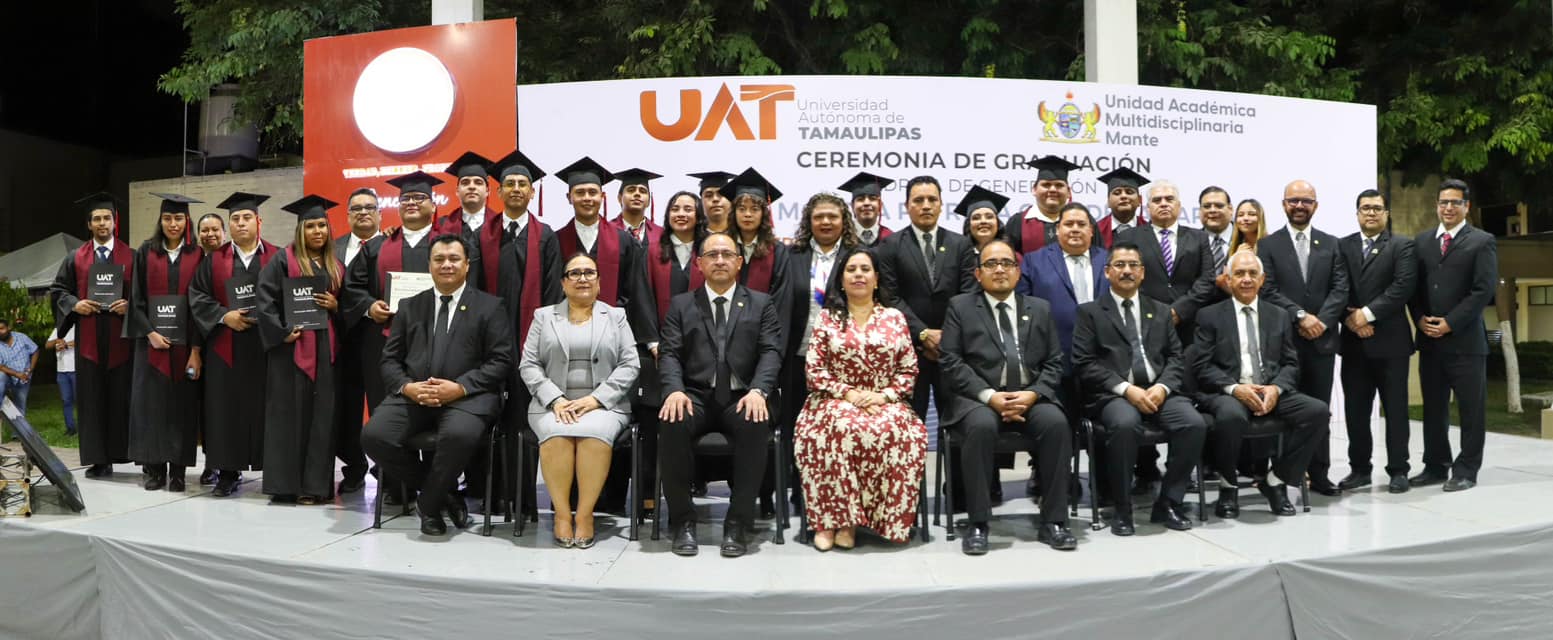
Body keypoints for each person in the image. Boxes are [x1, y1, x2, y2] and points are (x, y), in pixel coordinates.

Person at [361, 234, 515, 536]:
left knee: (458, 435)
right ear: (429, 265)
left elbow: (501, 361)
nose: (447, 265)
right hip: (415, 395)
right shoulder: (409, 306)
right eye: (439, 259)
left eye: (454, 259)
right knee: (374, 436)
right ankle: (445, 493)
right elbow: (389, 360)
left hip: (468, 397)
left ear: (467, 265)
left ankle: (429, 505)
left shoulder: (490, 306)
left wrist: (459, 387)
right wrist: (407, 387)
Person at [939, 239, 1075, 554]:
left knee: (1056, 424)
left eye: (1007, 263)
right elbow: (951, 361)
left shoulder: (1039, 308)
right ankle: (978, 522)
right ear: (978, 273)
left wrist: (1033, 394)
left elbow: (1055, 362)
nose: (999, 269)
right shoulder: (960, 307)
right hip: (979, 399)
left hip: (1030, 396)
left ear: (1017, 272)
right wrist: (990, 397)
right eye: (991, 264)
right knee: (981, 427)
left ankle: (1054, 520)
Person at [657, 232, 783, 558]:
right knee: (672, 421)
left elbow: (771, 352)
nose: (720, 260)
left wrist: (759, 390)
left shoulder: (761, 303)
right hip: (695, 396)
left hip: (742, 396)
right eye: (712, 255)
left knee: (756, 421)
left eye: (727, 254)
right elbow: (669, 353)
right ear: (699, 263)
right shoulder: (682, 304)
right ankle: (682, 521)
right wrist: (674, 390)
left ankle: (737, 523)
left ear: (739, 262)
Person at [794, 248, 926, 550]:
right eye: (851, 269)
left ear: (876, 279)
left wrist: (882, 396)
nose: (858, 275)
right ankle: (833, 522)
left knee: (899, 431)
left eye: (865, 269)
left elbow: (908, 369)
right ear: (841, 280)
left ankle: (874, 521)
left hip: (885, 401)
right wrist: (849, 394)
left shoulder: (894, 318)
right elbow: (815, 369)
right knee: (840, 427)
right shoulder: (827, 318)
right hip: (833, 399)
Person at [1071, 242, 1205, 535]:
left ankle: (1169, 502)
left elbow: (1176, 357)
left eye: (1133, 265)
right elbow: (1084, 363)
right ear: (1107, 272)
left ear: (1143, 272)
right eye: (1119, 265)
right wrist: (1126, 389)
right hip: (1114, 395)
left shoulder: (1161, 310)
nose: (1127, 271)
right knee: (1124, 425)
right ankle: (1122, 507)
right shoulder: (1090, 313)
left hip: (1159, 391)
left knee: (1193, 423)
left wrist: (1163, 387)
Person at [553, 157, 660, 514]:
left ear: (602, 197)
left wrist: (648, 339)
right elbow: (549, 294)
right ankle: (570, 499)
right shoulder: (556, 240)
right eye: (580, 192)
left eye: (592, 192)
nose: (587, 198)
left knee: (610, 415)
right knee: (571, 416)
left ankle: (611, 499)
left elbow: (637, 291)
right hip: (568, 345)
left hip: (612, 343)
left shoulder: (623, 240)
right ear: (569, 197)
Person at [1192, 251, 1330, 518]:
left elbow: (1291, 364)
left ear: (1262, 279)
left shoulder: (1279, 315)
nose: (1246, 279)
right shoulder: (1209, 316)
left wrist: (1275, 389)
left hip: (1269, 389)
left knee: (1317, 411)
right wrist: (1235, 389)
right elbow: (1202, 367)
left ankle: (1276, 480)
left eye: (1252, 274)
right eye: (1239, 274)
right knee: (1231, 416)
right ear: (1228, 280)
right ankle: (1228, 485)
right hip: (1228, 391)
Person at [519, 253, 641, 548]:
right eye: (574, 273)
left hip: (605, 404)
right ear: (563, 283)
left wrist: (596, 399)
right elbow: (529, 364)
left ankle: (585, 514)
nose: (582, 278)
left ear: (599, 282)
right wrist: (555, 399)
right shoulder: (543, 316)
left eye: (589, 273)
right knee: (557, 434)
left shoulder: (616, 316)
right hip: (551, 404)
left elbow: (630, 364)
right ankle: (562, 514)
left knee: (593, 434)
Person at [337, 174, 444, 495]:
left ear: (433, 205)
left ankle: (440, 484)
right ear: (397, 207)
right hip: (385, 344)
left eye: (419, 198)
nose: (411, 203)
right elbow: (352, 287)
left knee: (435, 411)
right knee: (386, 411)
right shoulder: (378, 246)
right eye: (405, 199)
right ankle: (395, 485)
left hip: (438, 342)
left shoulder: (447, 245)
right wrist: (370, 306)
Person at [479, 149, 565, 514]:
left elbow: (553, 294)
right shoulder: (482, 236)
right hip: (491, 344)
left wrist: (543, 343)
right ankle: (492, 494)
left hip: (532, 345)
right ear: (499, 192)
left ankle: (524, 499)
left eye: (522, 184)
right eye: (509, 183)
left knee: (525, 418)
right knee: (492, 417)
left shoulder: (545, 236)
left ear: (532, 192)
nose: (516, 188)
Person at [1256, 180, 1349, 497]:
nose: (1299, 206)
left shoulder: (1332, 244)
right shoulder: (1268, 245)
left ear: (1315, 206)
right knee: (1283, 411)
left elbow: (1340, 289)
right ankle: (1280, 477)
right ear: (1283, 204)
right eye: (1293, 200)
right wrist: (1300, 316)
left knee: (1320, 410)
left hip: (1321, 341)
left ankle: (1319, 474)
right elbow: (1268, 290)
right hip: (1284, 343)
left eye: (1306, 201)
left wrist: (1321, 321)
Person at [255, 195, 346, 505]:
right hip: (290, 350)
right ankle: (285, 486)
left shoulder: (336, 265)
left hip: (326, 350)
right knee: (288, 417)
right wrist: (282, 331)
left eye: (322, 225)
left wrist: (336, 306)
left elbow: (347, 305)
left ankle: (315, 487)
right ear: (300, 230)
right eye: (310, 226)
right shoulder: (283, 260)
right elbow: (264, 300)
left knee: (321, 419)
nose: (317, 231)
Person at [1410, 178, 1497, 492]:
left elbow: (1483, 290)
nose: (1448, 208)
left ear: (1466, 206)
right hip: (1430, 342)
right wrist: (1419, 318)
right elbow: (1413, 288)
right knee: (1433, 409)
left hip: (1466, 344)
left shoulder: (1482, 241)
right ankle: (1435, 466)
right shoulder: (1421, 242)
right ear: (1437, 205)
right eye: (1443, 202)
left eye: (1455, 202)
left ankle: (1466, 470)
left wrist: (1450, 322)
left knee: (1471, 411)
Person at [188, 192, 278, 496]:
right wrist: (224, 316)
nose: (241, 223)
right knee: (225, 411)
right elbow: (197, 296)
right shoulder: (214, 261)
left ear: (258, 221)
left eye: (246, 218)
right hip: (226, 347)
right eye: (235, 219)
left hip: (266, 348)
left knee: (268, 409)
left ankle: (274, 473)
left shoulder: (278, 257)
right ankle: (227, 473)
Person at [774, 193, 858, 517]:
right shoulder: (791, 255)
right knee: (798, 427)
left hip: (842, 362)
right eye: (819, 216)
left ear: (843, 221)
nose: (825, 222)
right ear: (809, 221)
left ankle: (838, 493)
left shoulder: (856, 256)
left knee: (836, 428)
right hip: (798, 356)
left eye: (832, 216)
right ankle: (800, 491)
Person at [877, 176, 979, 423]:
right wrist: (923, 333)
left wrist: (947, 337)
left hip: (953, 351)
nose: (926, 206)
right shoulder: (890, 245)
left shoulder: (961, 244)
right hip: (909, 351)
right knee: (910, 424)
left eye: (932, 199)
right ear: (907, 206)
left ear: (941, 205)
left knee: (958, 423)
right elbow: (891, 297)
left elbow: (968, 294)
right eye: (918, 200)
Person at [50, 192, 134, 478]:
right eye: (96, 219)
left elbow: (145, 294)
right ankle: (99, 460)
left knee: (122, 398)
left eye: (107, 218)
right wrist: (76, 304)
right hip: (88, 341)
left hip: (122, 340)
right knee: (92, 400)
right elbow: (58, 290)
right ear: (89, 224)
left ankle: (126, 453)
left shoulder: (132, 256)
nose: (102, 223)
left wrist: (130, 305)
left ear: (115, 221)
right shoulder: (75, 258)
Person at [1337, 190, 1417, 493]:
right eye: (1365, 208)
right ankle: (1359, 469)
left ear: (1386, 213)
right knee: (1356, 412)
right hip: (1354, 343)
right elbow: (1335, 287)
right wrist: (1350, 319)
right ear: (1357, 213)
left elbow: (1402, 287)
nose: (1371, 213)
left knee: (1395, 411)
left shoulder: (1402, 246)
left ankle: (1399, 470)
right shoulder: (1342, 246)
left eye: (1377, 208)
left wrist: (1366, 315)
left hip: (1391, 344)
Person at [126, 193, 206, 492]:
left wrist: (196, 350)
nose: (173, 224)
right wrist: (150, 333)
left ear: (187, 221)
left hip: (185, 347)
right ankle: (155, 469)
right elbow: (136, 299)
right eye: (168, 218)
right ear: (160, 221)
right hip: (151, 346)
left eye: (179, 218)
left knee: (182, 407)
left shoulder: (198, 255)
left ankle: (179, 472)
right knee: (151, 406)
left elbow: (200, 306)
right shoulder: (146, 252)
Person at [632, 191, 705, 517]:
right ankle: (648, 496)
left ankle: (689, 490)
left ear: (698, 215)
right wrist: (653, 342)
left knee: (689, 422)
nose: (682, 213)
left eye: (689, 208)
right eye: (676, 208)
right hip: (657, 355)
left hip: (702, 355)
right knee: (652, 426)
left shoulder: (709, 252)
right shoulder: (651, 251)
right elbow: (641, 297)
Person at [1114, 180, 1219, 343]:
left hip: (1190, 326)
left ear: (1179, 206)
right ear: (1147, 207)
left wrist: (1179, 311)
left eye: (1169, 199)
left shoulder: (1199, 238)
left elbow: (1207, 280)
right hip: (1144, 324)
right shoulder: (1129, 237)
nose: (1163, 204)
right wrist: (1156, 313)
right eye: (1157, 200)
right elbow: (1123, 278)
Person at [331, 186, 384, 494]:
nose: (363, 212)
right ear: (348, 215)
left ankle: (385, 467)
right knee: (346, 409)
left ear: (380, 213)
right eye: (356, 208)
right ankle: (354, 467)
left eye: (369, 207)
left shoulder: (392, 245)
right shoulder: (332, 248)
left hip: (380, 340)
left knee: (381, 408)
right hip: (342, 341)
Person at [1017, 202, 1109, 365]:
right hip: (1054, 357)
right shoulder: (1034, 261)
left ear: (1091, 230)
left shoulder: (1110, 260)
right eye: (1069, 224)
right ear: (1058, 229)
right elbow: (1023, 308)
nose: (1075, 229)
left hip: (1104, 356)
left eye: (1081, 224)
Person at [722, 168, 792, 309]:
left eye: (754, 209)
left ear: (763, 214)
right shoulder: (722, 246)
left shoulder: (777, 250)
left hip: (765, 320)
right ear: (734, 212)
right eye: (742, 209)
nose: (747, 214)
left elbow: (781, 297)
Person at [1005, 156, 1079, 255]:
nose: (1052, 189)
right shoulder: (1017, 222)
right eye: (1046, 185)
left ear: (1069, 192)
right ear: (1034, 190)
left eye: (1059, 185)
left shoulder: (1081, 222)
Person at [1094, 168, 1150, 249]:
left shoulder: (1150, 231)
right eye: (1117, 193)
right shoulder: (1095, 231)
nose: (1123, 196)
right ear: (1108, 201)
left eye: (1129, 192)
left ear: (1139, 200)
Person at [839, 172, 894, 246]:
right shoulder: (840, 237)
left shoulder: (890, 238)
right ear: (852, 206)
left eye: (872, 198)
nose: (866, 203)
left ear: (880, 205)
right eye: (860, 199)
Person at [610, 168, 663, 244]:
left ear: (649, 201)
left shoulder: (661, 234)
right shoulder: (606, 231)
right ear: (619, 198)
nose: (637, 194)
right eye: (631, 190)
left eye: (643, 191)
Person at [0, 319, 39, 416]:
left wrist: (31, 369)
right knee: (1, 376)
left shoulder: (22, 337)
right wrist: (16, 374)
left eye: (2, 328)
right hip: (8, 375)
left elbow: (35, 350)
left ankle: (18, 425)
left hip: (24, 378)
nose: (0, 332)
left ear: (8, 327)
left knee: (20, 407)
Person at [44, 326, 76, 436]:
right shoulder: (58, 329)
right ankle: (70, 428)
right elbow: (47, 345)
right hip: (61, 371)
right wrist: (57, 340)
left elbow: (84, 342)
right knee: (66, 400)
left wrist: (66, 345)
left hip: (76, 369)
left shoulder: (78, 326)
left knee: (81, 400)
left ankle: (86, 428)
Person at [960, 185, 1009, 255]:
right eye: (976, 218)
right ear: (968, 225)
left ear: (998, 223)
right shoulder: (959, 256)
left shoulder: (1010, 254)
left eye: (989, 217)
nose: (983, 221)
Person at [1198, 186, 1234, 275]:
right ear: (1200, 211)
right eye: (1207, 206)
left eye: (1219, 206)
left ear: (1230, 209)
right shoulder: (1190, 243)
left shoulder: (1248, 239)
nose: (1212, 210)